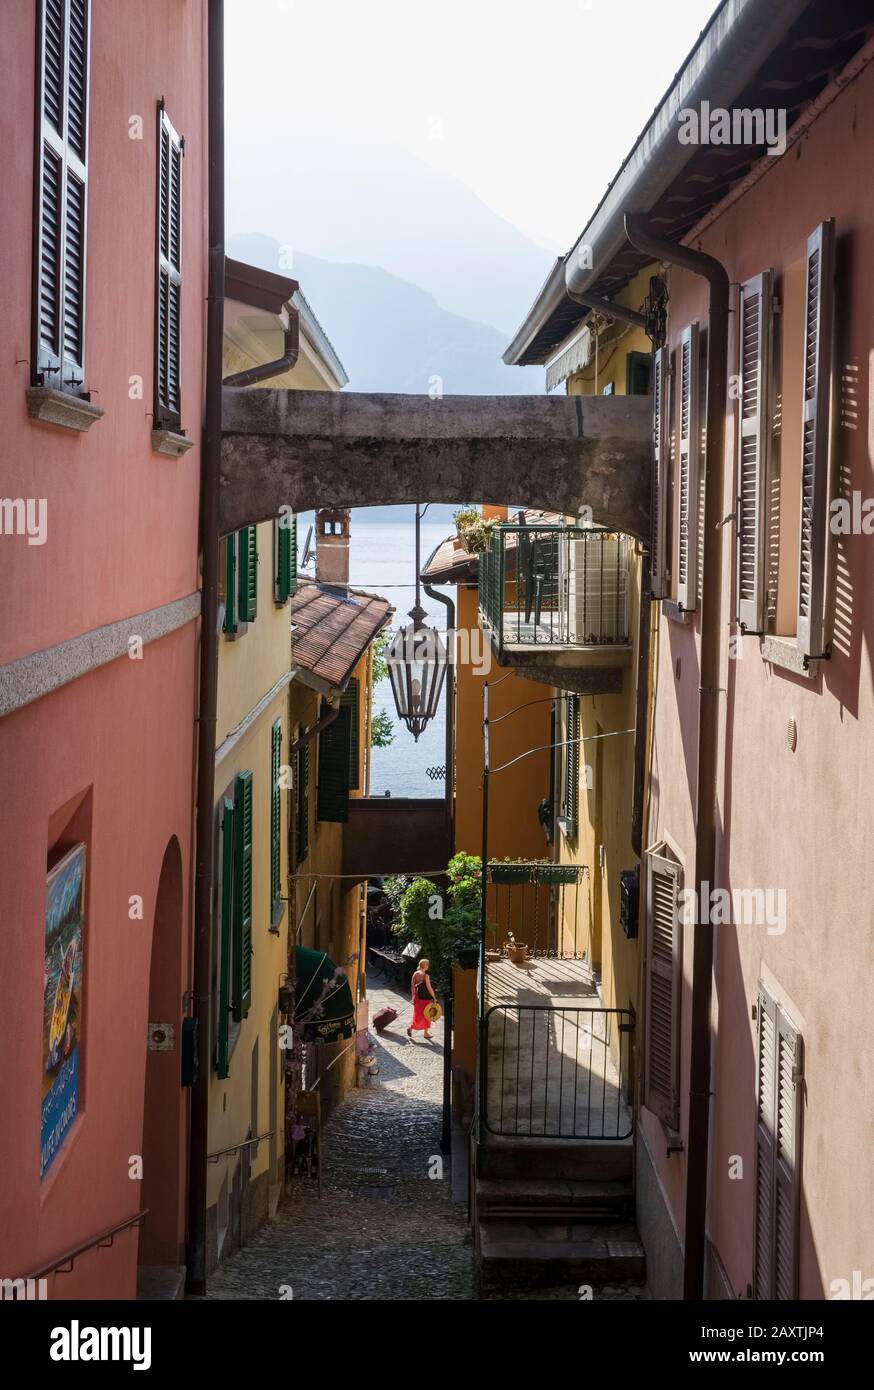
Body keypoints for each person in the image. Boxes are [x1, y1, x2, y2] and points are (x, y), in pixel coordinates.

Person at [407, 958, 436, 1041]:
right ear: (425, 965)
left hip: (417, 997)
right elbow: (429, 987)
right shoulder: (426, 975)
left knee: (417, 1015)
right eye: (428, 965)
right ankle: (426, 1033)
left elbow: (412, 986)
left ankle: (411, 1027)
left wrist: (413, 997)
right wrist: (434, 996)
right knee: (427, 1014)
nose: (428, 966)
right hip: (426, 998)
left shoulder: (415, 974)